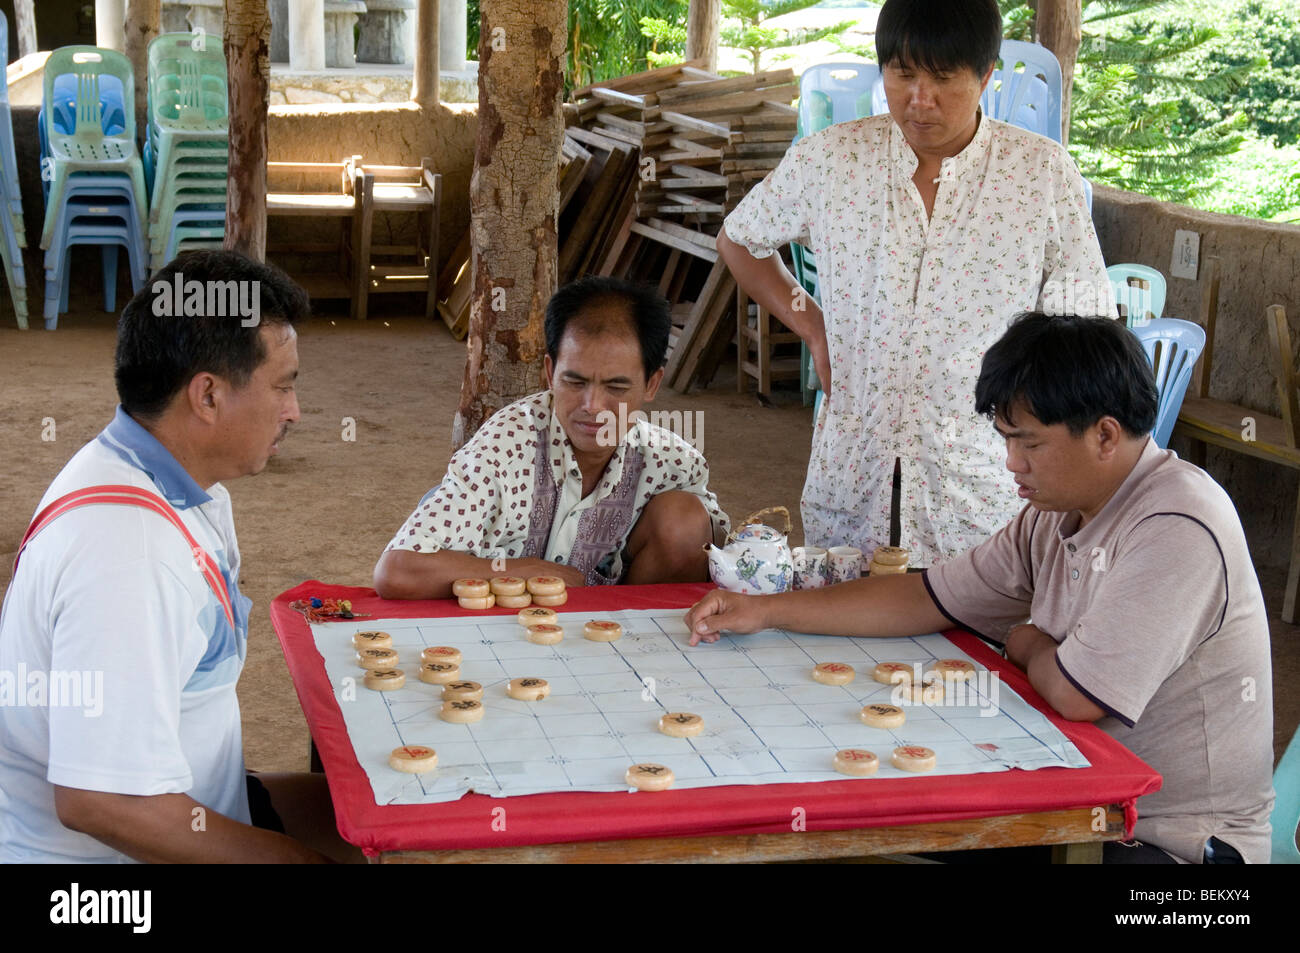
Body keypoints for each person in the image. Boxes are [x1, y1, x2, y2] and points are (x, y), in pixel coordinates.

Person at [685, 312, 1274, 864]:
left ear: (1104, 435)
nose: (1012, 463)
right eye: (1006, 439)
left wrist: (1025, 644)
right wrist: (765, 611)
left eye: (1029, 443)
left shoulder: (1176, 524)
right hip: (1075, 809)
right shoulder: (1057, 510)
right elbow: (926, 596)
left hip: (1171, 853)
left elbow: (1076, 696)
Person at [718, 0, 1112, 567]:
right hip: (856, 455)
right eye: (903, 74)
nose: (918, 99)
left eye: (943, 78)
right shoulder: (831, 158)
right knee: (842, 623)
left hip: (977, 471)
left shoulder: (1041, 174)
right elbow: (740, 239)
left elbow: (1082, 321)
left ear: (985, 77)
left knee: (970, 635)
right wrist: (815, 327)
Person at [0, 251, 357, 863]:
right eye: (284, 385)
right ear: (208, 396)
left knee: (384, 819)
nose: (295, 410)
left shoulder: (158, 473)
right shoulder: (130, 555)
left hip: (198, 801)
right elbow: (99, 801)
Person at [374, 276, 729, 600]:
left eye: (616, 386)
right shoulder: (506, 446)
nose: (593, 407)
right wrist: (526, 572)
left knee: (686, 522)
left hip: (604, 637)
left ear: (651, 384)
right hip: (500, 632)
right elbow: (397, 570)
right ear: (549, 372)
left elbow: (719, 563)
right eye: (575, 382)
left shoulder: (674, 465)